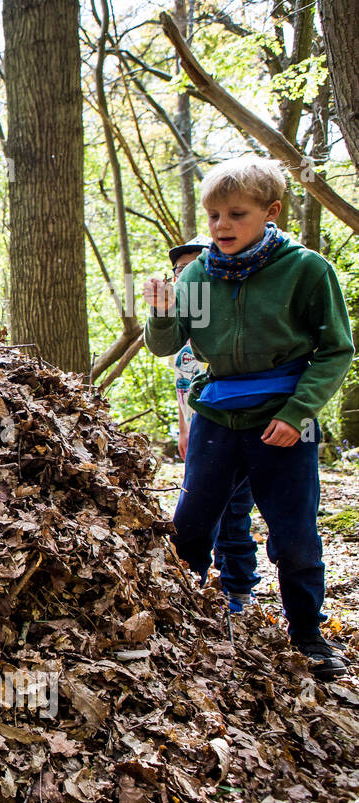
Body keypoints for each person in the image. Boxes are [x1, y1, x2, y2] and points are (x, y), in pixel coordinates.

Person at [143, 157, 353, 680]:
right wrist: (162, 308)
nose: (221, 226)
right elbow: (165, 346)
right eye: (214, 215)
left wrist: (299, 411)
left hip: (284, 416)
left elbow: (335, 351)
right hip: (218, 412)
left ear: (271, 211)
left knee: (294, 534)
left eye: (236, 214)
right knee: (188, 526)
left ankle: (308, 633)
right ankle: (179, 628)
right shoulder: (196, 274)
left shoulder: (306, 270)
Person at [166, 237, 260, 613]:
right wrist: (184, 428)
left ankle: (237, 589)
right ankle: (193, 585)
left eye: (191, 268)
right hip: (201, 433)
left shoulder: (224, 325)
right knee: (198, 514)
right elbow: (183, 386)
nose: (183, 276)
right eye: (178, 270)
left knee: (235, 511)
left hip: (238, 429)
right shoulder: (184, 333)